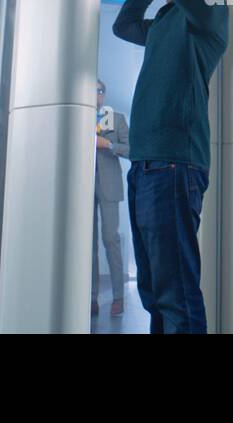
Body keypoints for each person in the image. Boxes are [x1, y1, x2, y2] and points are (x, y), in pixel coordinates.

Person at [113, 0, 228, 334]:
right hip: (144, 165)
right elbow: (123, 25)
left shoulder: (208, 7)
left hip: (176, 164)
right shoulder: (164, 20)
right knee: (155, 290)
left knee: (177, 293)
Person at [92, 78, 130, 317]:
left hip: (109, 186)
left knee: (110, 239)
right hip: (81, 188)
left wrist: (107, 144)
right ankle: (91, 298)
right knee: (88, 244)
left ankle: (118, 297)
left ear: (103, 95)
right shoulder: (77, 116)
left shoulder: (117, 119)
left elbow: (132, 149)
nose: (94, 96)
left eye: (98, 92)